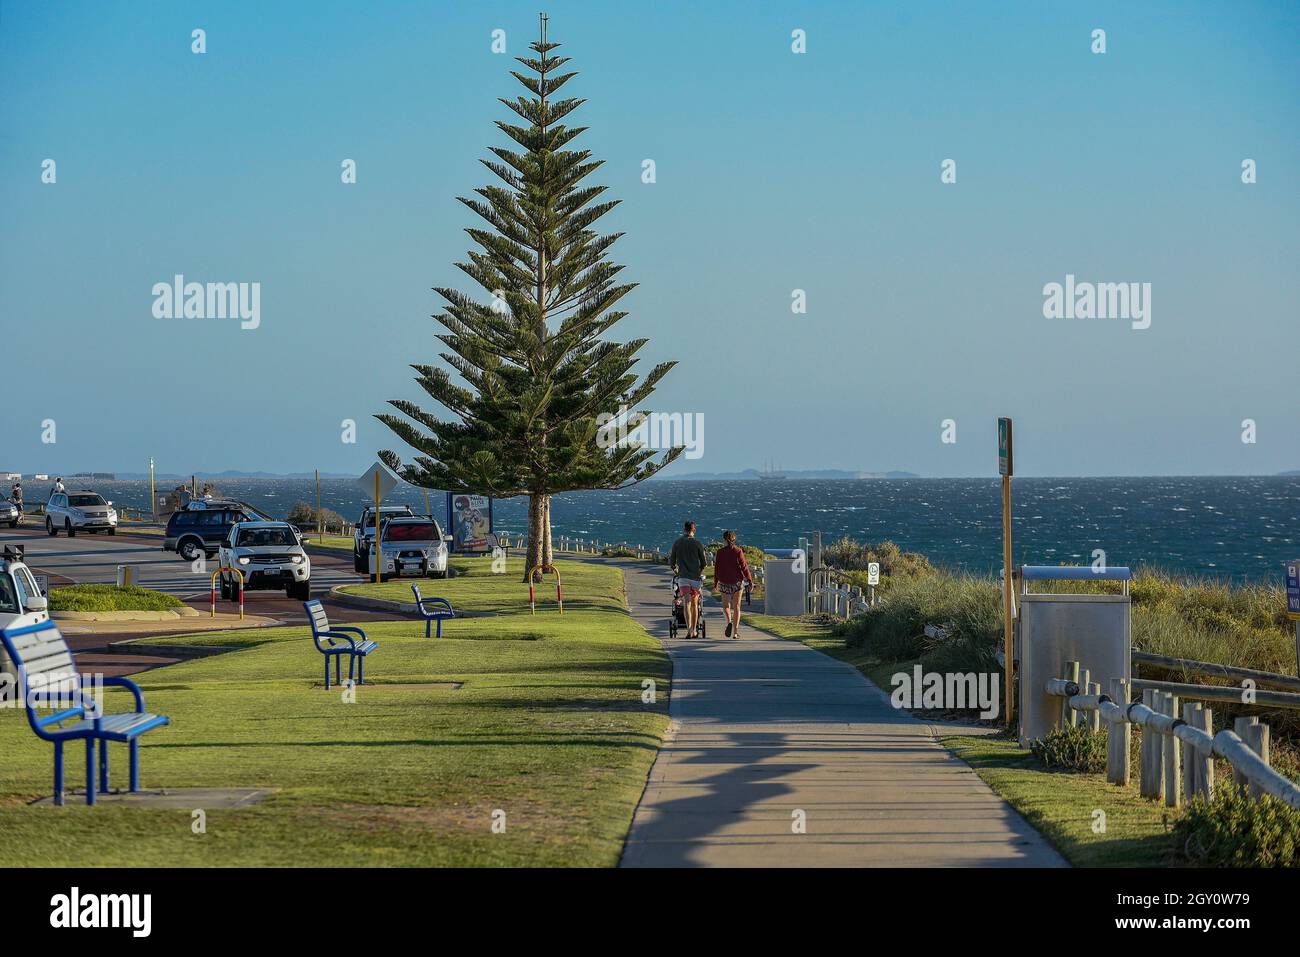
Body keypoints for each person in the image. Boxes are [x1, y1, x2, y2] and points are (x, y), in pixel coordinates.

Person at [669, 520, 708, 639]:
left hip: (683, 578)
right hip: (695, 578)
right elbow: (704, 563)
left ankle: (688, 629)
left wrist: (677, 572)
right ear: (694, 530)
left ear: (684, 529)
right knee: (695, 604)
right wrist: (698, 572)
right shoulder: (697, 543)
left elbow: (672, 563)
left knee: (686, 603)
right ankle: (694, 630)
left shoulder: (677, 543)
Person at [713, 530, 753, 639]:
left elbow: (717, 569)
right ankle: (735, 632)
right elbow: (744, 567)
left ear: (725, 540)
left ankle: (729, 622)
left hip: (724, 582)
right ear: (734, 540)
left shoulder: (720, 552)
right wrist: (749, 580)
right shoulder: (738, 551)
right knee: (737, 607)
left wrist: (715, 582)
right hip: (737, 583)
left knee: (726, 606)